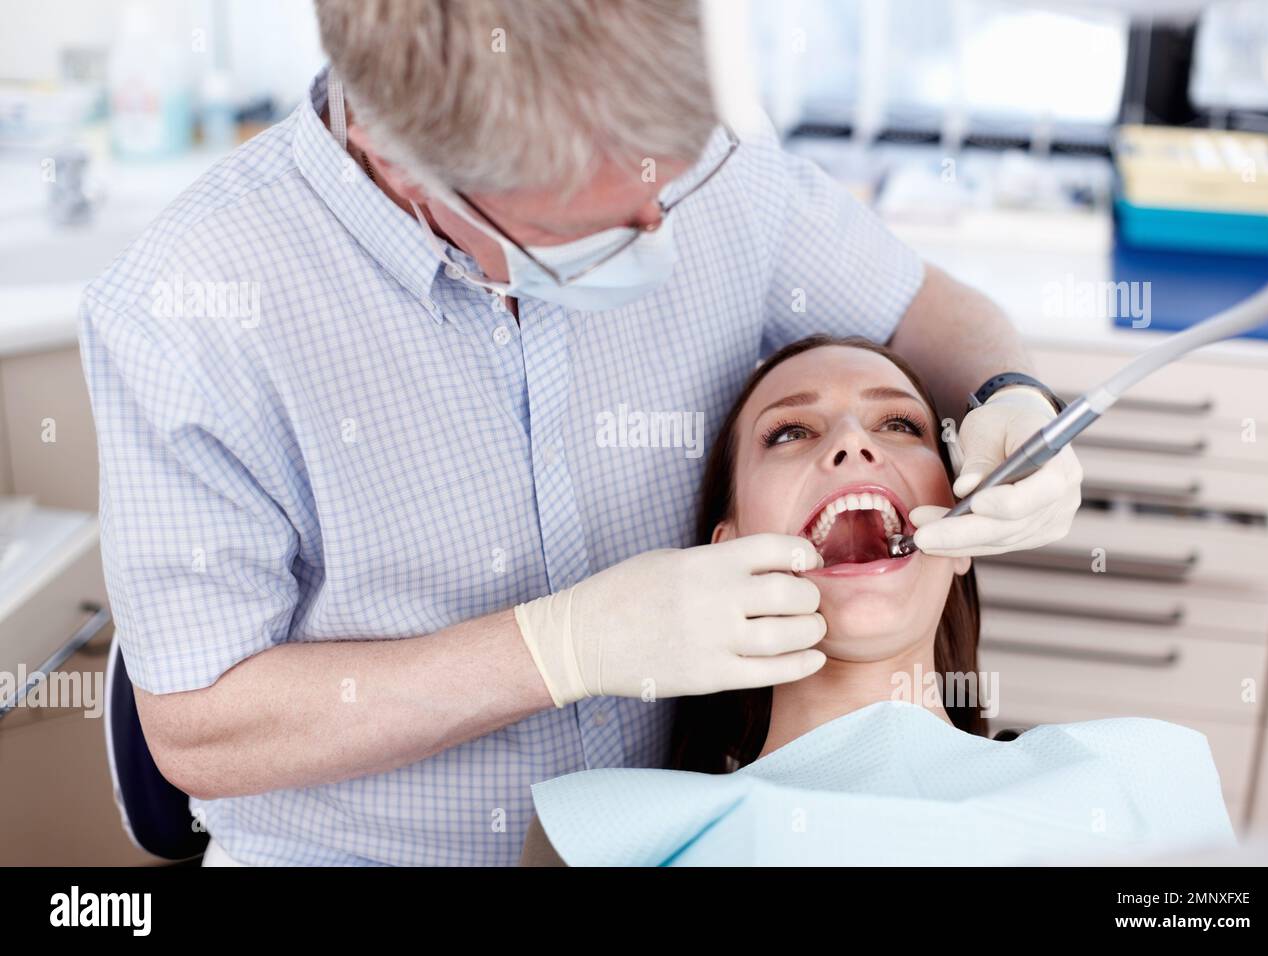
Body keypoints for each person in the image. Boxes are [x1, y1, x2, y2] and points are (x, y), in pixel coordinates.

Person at [78, 1, 1082, 865]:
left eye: (670, 184)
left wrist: (1010, 394)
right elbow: (199, 730)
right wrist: (557, 647)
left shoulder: (716, 181)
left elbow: (933, 317)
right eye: (596, 225)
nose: (662, 227)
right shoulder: (184, 314)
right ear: (399, 156)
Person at [518, 335, 1234, 867]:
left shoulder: (1141, 770)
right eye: (790, 432)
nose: (854, 443)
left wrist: (1016, 388)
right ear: (723, 553)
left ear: (966, 533)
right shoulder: (599, 830)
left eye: (900, 426)